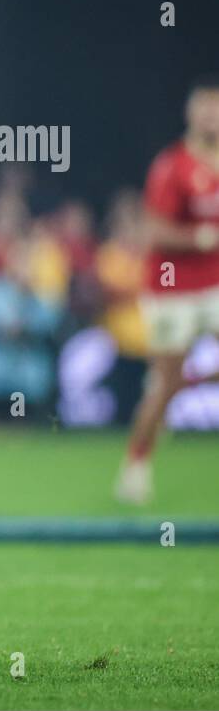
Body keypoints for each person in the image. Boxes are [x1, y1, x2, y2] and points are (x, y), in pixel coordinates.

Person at [117, 77, 219, 504]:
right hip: (172, 287)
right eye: (204, 109)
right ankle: (136, 463)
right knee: (163, 383)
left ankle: (186, 382)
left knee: (172, 381)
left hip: (213, 284)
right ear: (191, 114)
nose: (210, 116)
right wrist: (200, 238)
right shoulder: (173, 165)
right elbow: (153, 227)